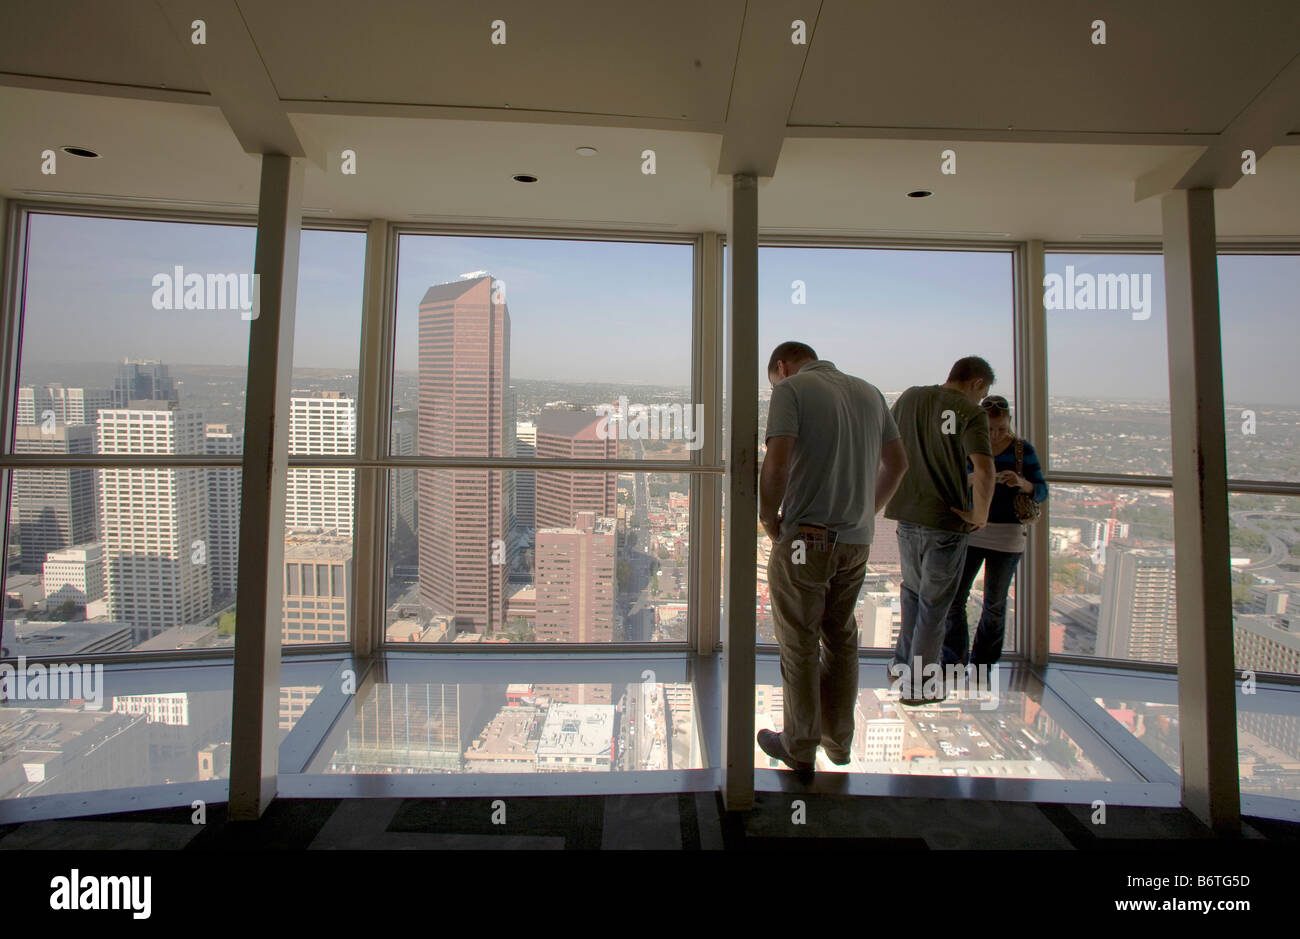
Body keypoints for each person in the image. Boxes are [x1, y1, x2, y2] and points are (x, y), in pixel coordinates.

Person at [757, 341, 908, 777]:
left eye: (773, 381)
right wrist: (866, 512)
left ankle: (799, 746)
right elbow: (897, 465)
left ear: (781, 367)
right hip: (856, 542)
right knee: (841, 639)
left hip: (807, 538)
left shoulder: (792, 391)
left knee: (799, 641)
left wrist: (769, 519)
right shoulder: (870, 393)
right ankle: (838, 743)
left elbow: (778, 464)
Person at [884, 356, 996, 704]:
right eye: (984, 392)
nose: (981, 399)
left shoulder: (910, 398)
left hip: (906, 515)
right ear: (977, 383)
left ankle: (902, 667)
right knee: (934, 608)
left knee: (912, 597)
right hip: (946, 522)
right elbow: (985, 469)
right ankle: (918, 686)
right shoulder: (970, 412)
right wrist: (979, 513)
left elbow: (888, 442)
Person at [942, 395, 1047, 666]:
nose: (995, 434)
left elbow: (1041, 490)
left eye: (1001, 429)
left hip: (1007, 536)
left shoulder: (1023, 451)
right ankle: (955, 658)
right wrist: (974, 479)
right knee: (956, 598)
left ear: (1009, 423)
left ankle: (983, 662)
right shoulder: (968, 448)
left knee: (995, 604)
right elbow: (950, 486)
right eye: (989, 429)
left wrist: (1022, 483)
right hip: (973, 529)